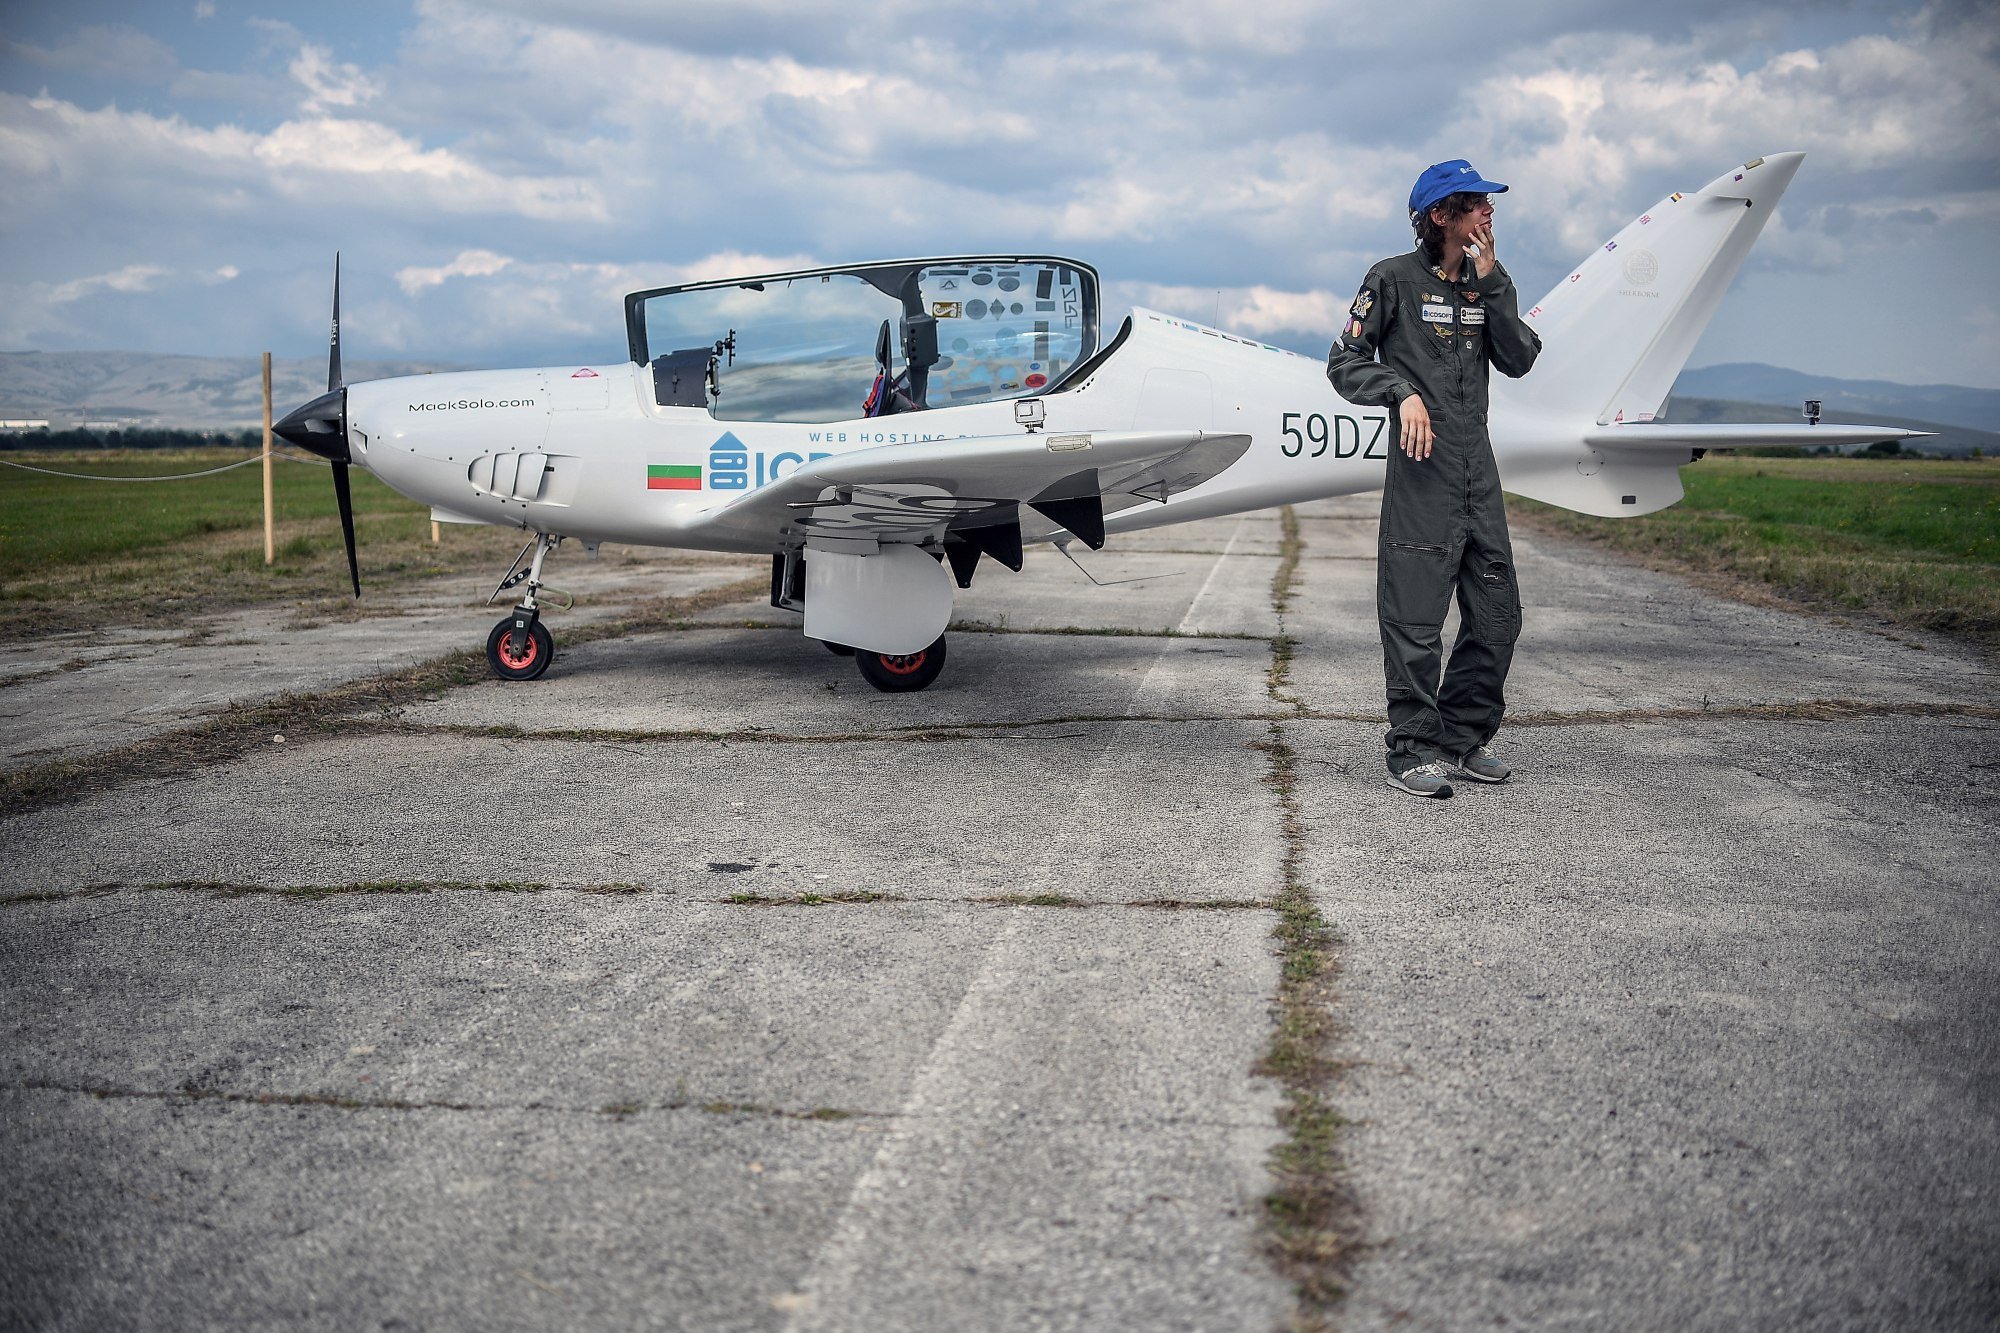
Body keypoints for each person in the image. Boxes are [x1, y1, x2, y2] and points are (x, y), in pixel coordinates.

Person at [1326, 160, 1542, 799]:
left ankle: (1459, 738)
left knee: (1497, 616)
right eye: (1475, 203)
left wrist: (1494, 282)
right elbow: (1345, 362)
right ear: (1440, 216)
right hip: (1423, 478)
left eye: (1488, 203)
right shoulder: (1391, 280)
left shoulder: (1484, 283)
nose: (1488, 212)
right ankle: (1413, 749)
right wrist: (1401, 394)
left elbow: (1521, 358)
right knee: (1415, 619)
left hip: (1480, 476)